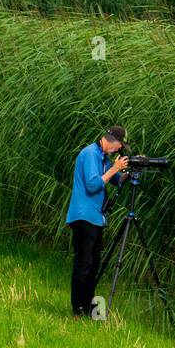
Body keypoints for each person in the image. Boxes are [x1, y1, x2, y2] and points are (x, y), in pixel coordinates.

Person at [65, 126, 129, 317]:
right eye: (119, 145)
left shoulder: (103, 158)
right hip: (83, 216)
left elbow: (116, 180)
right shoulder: (90, 154)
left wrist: (128, 172)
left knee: (94, 264)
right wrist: (114, 169)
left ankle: (89, 307)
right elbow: (93, 185)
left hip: (96, 218)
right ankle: (78, 309)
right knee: (84, 263)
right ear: (110, 139)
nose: (119, 150)